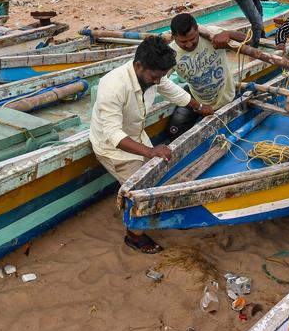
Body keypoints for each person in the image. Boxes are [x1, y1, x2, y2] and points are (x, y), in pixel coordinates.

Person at [90, 36, 216, 253]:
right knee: (139, 191)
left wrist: (200, 107)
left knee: (155, 175)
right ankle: (134, 237)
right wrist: (150, 151)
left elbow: (173, 91)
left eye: (162, 76)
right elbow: (113, 135)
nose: (158, 81)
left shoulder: (153, 75)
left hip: (136, 136)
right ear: (139, 66)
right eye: (156, 76)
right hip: (113, 149)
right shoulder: (113, 86)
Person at [165, 13, 248, 140]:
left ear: (198, 31)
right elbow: (157, 79)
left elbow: (251, 41)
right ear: (173, 37)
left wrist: (229, 34)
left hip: (226, 98)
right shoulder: (170, 54)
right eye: (183, 42)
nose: (188, 45)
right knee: (173, 134)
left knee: (227, 135)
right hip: (197, 101)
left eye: (192, 39)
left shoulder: (212, 34)